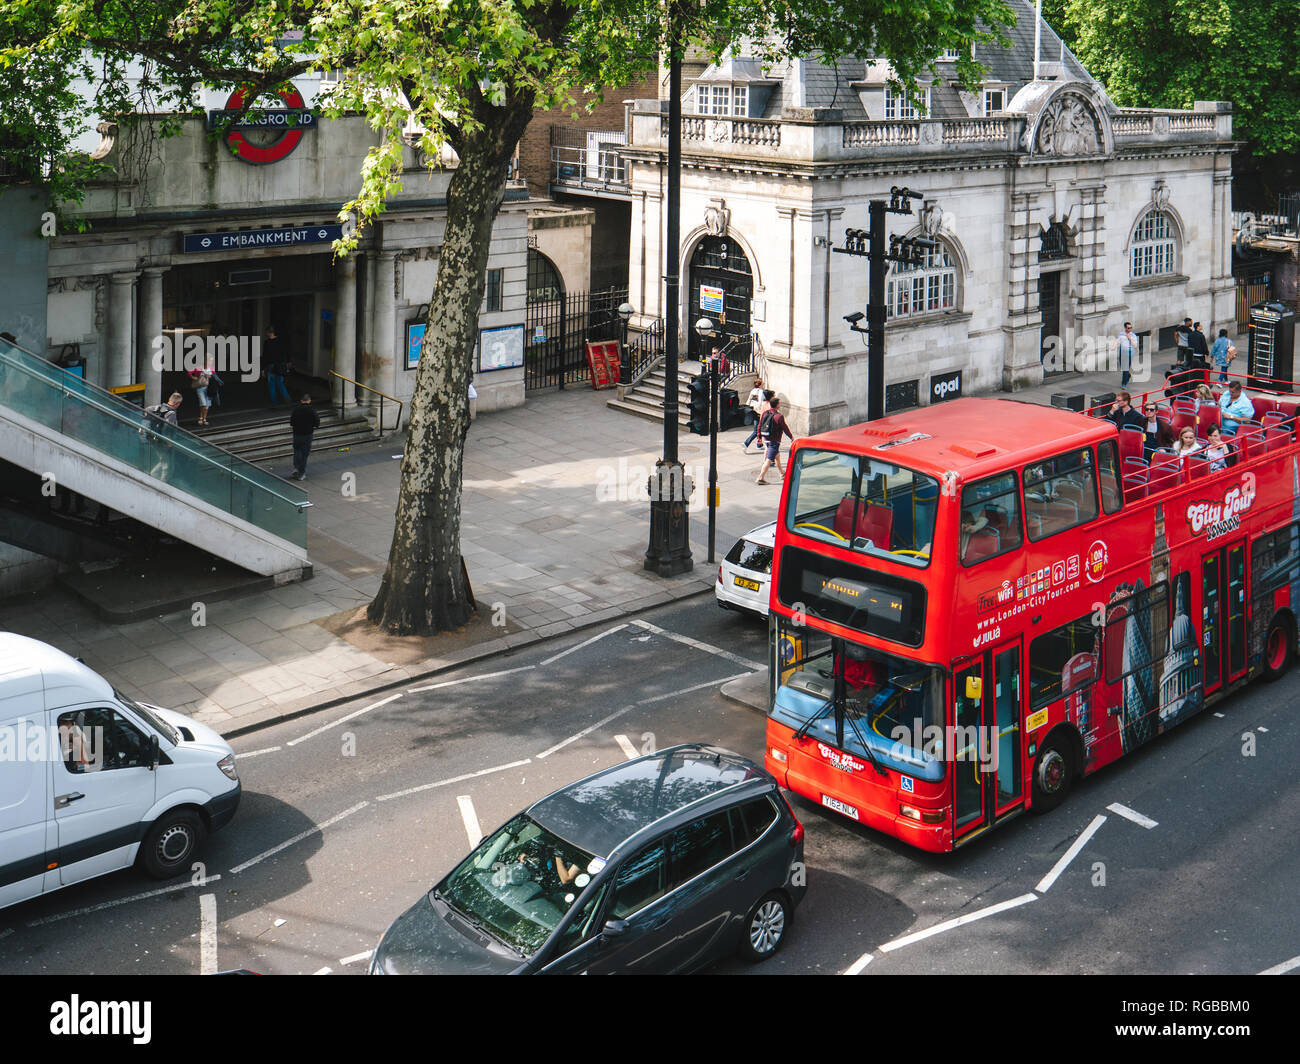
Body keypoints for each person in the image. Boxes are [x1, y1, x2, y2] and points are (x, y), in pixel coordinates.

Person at [755, 395, 793, 484]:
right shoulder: (779, 416)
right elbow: (785, 428)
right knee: (769, 460)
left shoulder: (765, 413)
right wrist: (791, 437)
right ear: (777, 405)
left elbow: (760, 425)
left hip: (766, 439)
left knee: (777, 456)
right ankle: (760, 478)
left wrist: (759, 437)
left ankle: (782, 473)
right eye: (779, 403)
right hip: (774, 441)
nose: (780, 405)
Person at [289, 392, 320, 480]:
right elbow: (317, 421)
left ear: (301, 400)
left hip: (297, 434)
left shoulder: (296, 409)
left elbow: (292, 422)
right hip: (307, 434)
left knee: (297, 451)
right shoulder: (312, 410)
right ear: (309, 400)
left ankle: (296, 468)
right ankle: (301, 473)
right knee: (304, 454)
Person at [263, 326, 291, 407]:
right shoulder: (280, 341)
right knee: (280, 383)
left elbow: (265, 356)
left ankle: (274, 403)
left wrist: (263, 369)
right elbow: (286, 351)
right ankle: (286, 397)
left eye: (266, 332)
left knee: (271, 385)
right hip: (280, 365)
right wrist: (287, 362)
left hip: (270, 366)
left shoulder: (267, 342)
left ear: (268, 332)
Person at [742, 378, 766, 453]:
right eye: (763, 383)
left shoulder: (753, 390)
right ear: (760, 384)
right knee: (757, 430)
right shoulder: (761, 392)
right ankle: (746, 443)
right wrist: (762, 412)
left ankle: (759, 444)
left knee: (759, 429)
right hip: (758, 412)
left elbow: (749, 400)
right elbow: (760, 403)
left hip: (753, 410)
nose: (764, 384)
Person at [1116, 322, 1139, 389]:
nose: (1130, 329)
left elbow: (1135, 345)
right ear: (1125, 328)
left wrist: (1130, 338)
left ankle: (1124, 384)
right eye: (1129, 328)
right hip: (1122, 352)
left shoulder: (1133, 335)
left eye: (1131, 327)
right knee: (1123, 368)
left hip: (1129, 353)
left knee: (1125, 369)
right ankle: (1128, 375)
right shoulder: (1121, 334)